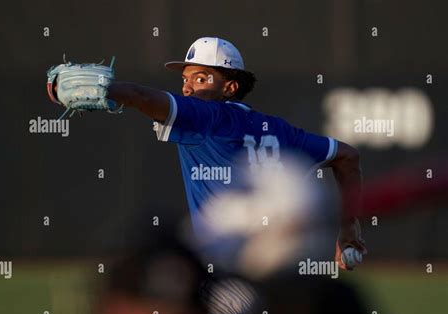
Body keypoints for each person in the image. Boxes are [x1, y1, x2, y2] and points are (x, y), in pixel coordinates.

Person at [105, 36, 367, 269]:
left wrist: (95, 89)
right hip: (281, 260)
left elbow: (140, 95)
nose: (187, 88)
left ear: (229, 87)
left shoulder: (204, 116)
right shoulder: (280, 129)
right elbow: (347, 156)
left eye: (200, 78)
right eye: (185, 79)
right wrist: (348, 229)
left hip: (226, 261)